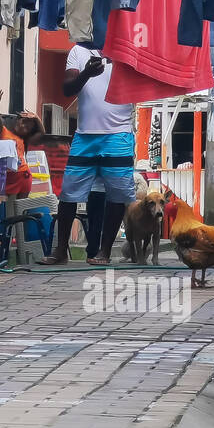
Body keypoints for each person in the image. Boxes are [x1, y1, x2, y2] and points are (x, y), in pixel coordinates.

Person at [48, 44, 136, 265]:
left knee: (117, 195)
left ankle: (104, 253)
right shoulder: (78, 51)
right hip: (85, 134)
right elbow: (67, 89)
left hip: (118, 133)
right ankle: (60, 251)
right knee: (68, 194)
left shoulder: (128, 47)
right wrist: (87, 72)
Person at [0, 89, 42, 197]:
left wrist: (37, 118)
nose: (23, 126)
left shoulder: (24, 140)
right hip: (5, 175)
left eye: (27, 128)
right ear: (18, 119)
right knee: (1, 203)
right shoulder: (3, 131)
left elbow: (42, 133)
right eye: (23, 122)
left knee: (21, 207)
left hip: (23, 176)